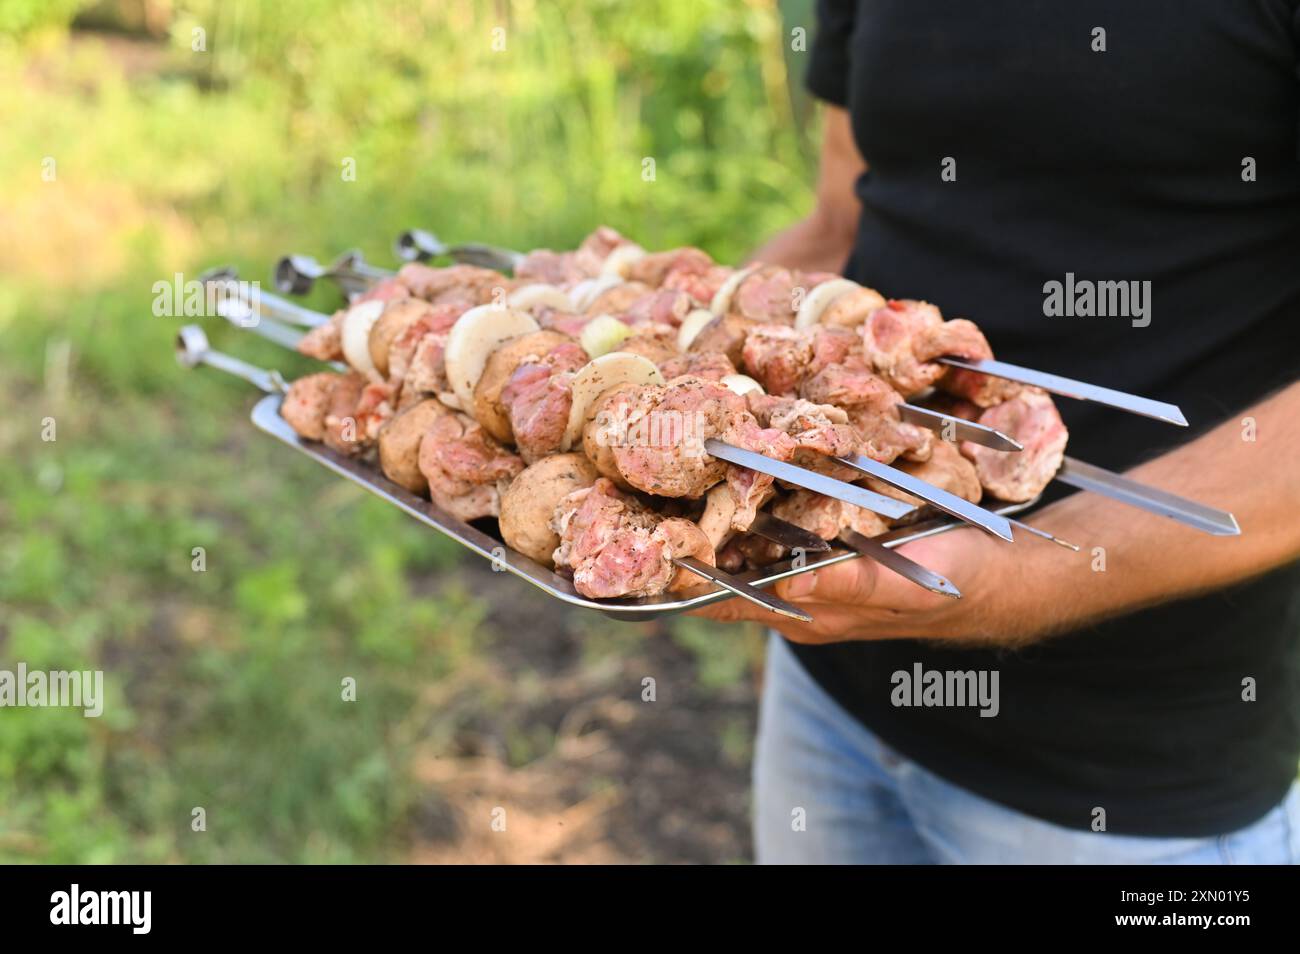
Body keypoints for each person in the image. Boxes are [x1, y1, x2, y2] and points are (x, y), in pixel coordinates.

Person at [695, 1, 1300, 863]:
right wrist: (664, 387)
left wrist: (1017, 571)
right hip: (828, 707)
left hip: (1128, 795)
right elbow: (839, 224)